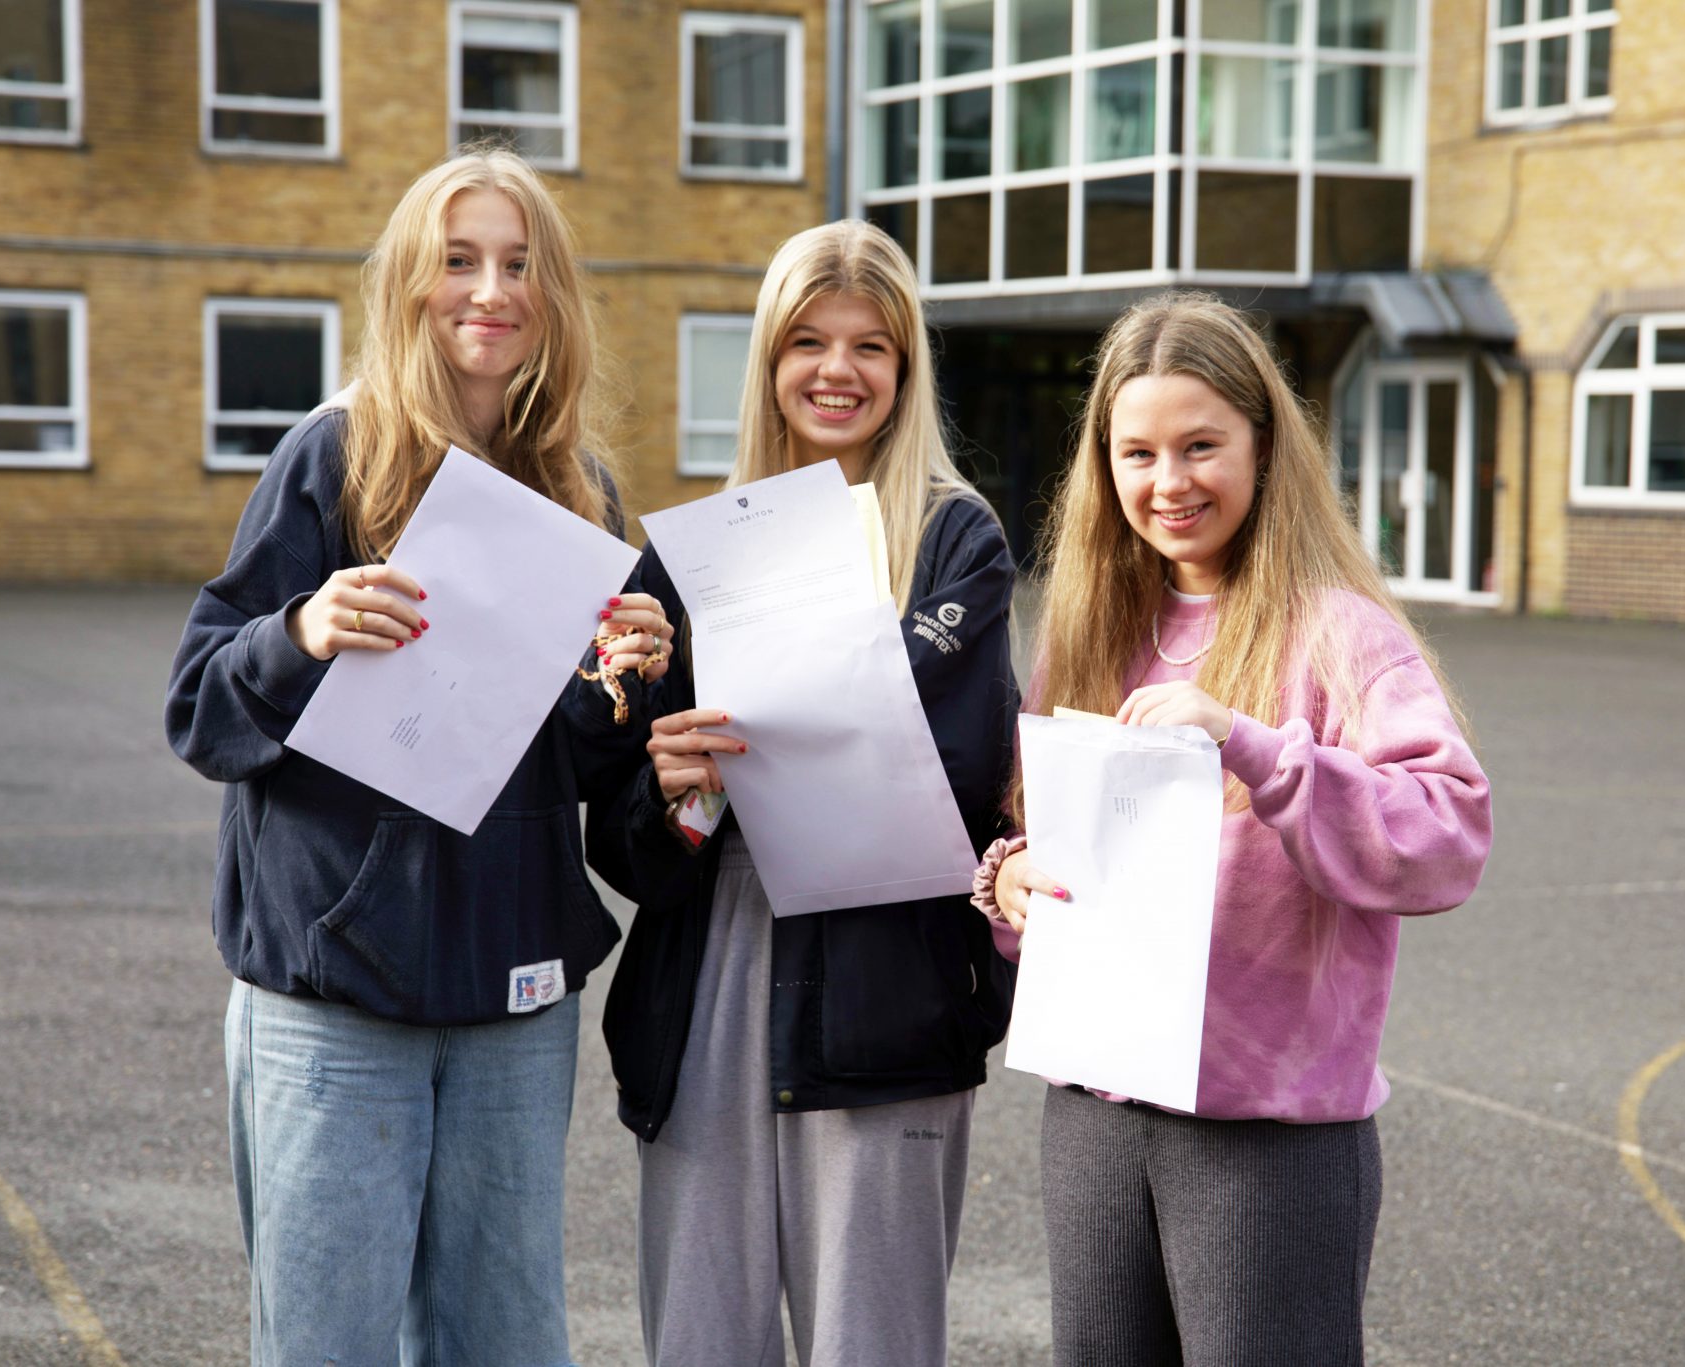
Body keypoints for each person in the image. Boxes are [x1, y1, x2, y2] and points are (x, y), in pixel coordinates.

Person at [164, 147, 669, 1365]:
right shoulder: (330, 456)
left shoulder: (584, 494)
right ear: (406, 283)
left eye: (516, 264)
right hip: (339, 993)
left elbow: (581, 772)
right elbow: (199, 708)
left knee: (503, 1340)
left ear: (551, 294)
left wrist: (624, 684)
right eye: (457, 261)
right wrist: (300, 632)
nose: (487, 290)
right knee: (329, 1343)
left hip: (513, 997)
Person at [974, 291, 1492, 1367]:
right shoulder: (1091, 630)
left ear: (1262, 444)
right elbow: (1050, 852)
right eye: (1137, 452)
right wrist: (1014, 881)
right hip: (1097, 1113)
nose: (1168, 482)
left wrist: (1255, 749)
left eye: (1200, 444)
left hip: (1268, 1130)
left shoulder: (1338, 632)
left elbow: (1444, 833)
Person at [584, 220, 1019, 1367]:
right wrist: (674, 784)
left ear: (905, 365)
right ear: (768, 361)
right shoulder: (685, 558)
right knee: (699, 1338)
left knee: (867, 1342)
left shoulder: (953, 538)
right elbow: (621, 843)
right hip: (708, 974)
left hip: (884, 983)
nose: (838, 368)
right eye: (808, 341)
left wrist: (745, 694)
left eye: (871, 344)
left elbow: (950, 765)